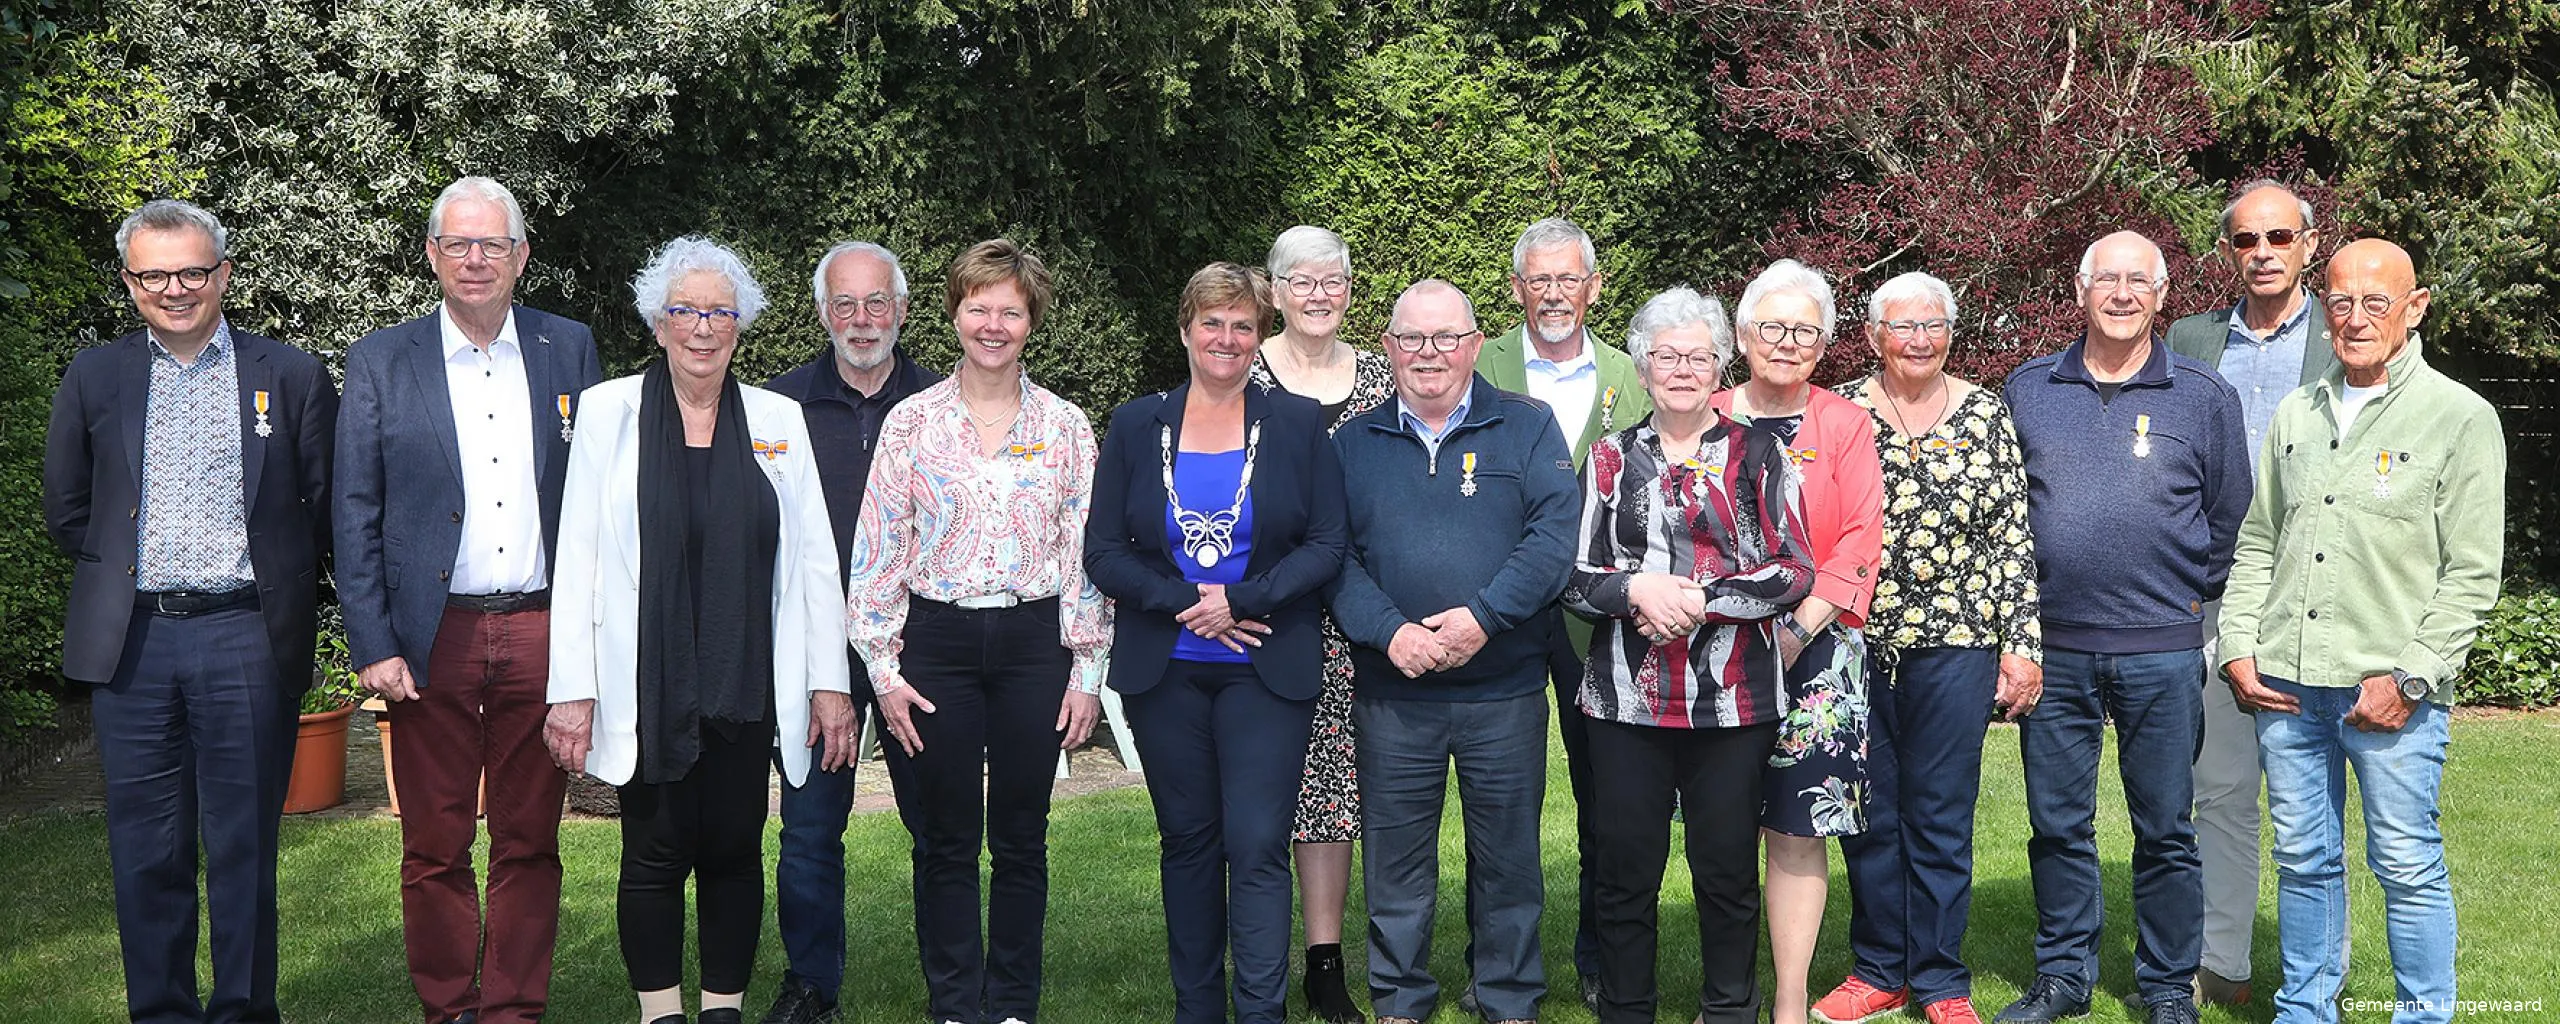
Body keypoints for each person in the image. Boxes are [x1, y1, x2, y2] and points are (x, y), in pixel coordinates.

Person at [543, 236, 855, 1024]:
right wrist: (571, 690)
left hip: (746, 681)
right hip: (645, 679)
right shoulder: (610, 410)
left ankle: (721, 1010)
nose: (704, 328)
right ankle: (661, 1013)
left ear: (740, 326)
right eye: (686, 310)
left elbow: (814, 560)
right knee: (650, 857)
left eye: (721, 312)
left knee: (733, 853)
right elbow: (577, 553)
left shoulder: (778, 420)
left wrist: (828, 683)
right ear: (658, 323)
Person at [44, 198, 336, 1024]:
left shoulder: (291, 375)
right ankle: (161, 1012)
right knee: (147, 851)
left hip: (245, 636)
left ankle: (244, 1012)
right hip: (131, 646)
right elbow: (68, 509)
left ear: (224, 275)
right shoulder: (94, 375)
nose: (175, 288)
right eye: (154, 274)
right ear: (131, 283)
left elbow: (317, 512)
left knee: (243, 848)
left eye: (192, 271)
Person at [334, 176, 602, 1024]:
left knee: (531, 842)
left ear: (522, 255)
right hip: (430, 638)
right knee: (434, 844)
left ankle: (515, 1009)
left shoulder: (570, 348)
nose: (476, 259)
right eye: (459, 244)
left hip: (540, 629)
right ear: (432, 255)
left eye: (493, 244)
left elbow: (595, 506)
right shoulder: (383, 360)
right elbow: (355, 509)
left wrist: (589, 645)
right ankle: (448, 1006)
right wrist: (374, 640)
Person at [2218, 238, 2505, 1024]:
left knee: (2406, 865)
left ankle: (2423, 1014)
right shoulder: (2296, 412)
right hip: (2285, 684)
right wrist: (2239, 645)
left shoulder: (2459, 418)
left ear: (2414, 308)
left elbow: (2473, 574)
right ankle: (2305, 1011)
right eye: (2340, 300)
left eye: (2377, 302)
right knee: (2305, 863)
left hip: (2391, 693)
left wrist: (2410, 678)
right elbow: (2257, 540)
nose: (2355, 317)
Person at [845, 238, 1111, 1024]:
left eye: (1010, 310)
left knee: (1023, 837)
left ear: (1031, 322)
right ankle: (956, 1003)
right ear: (955, 313)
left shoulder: (1065, 426)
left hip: (1035, 643)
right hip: (938, 644)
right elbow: (878, 547)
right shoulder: (911, 424)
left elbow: (1085, 555)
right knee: (947, 838)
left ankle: (1012, 1006)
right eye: (978, 307)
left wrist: (1086, 673)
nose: (993, 324)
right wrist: (883, 671)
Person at [1998, 231, 2249, 1024]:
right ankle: (2064, 976)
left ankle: (2169, 984)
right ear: (2079, 291)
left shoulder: (2203, 395)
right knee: (2057, 824)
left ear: (2162, 293)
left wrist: (2179, 597)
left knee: (2167, 826)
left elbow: (2230, 515)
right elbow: (2006, 511)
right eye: (2105, 278)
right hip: (2055, 649)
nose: (2120, 293)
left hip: (2164, 650)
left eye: (2138, 280)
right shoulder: (2028, 387)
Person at [1087, 263, 1349, 1024]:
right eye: (1212, 323)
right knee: (1190, 843)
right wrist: (1190, 606)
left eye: (1242, 325)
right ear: (1185, 330)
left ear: (1259, 336)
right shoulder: (1137, 425)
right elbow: (1104, 551)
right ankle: (1197, 1009)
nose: (1226, 338)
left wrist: (1241, 599)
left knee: (1260, 844)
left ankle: (1261, 1011)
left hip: (1267, 667)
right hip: (1165, 669)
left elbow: (1328, 543)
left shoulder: (1297, 422)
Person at [1327, 279, 1579, 1024]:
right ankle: (1400, 1000)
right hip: (1392, 690)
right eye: (1412, 338)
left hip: (1500, 688)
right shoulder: (1351, 444)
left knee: (1507, 863)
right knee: (1396, 866)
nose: (1429, 353)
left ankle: (1507, 997)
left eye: (1446, 338)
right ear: (1389, 348)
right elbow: (1332, 557)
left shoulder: (1528, 429)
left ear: (1475, 344)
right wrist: (1390, 632)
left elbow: (1552, 540)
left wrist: (1481, 618)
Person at [1565, 286, 1814, 1024]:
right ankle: (1627, 1011)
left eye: (1697, 357)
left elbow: (1794, 566)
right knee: (1624, 875)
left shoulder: (1761, 453)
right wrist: (1639, 587)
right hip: (1625, 703)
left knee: (1727, 874)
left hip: (1733, 702)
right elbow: (1573, 577)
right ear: (1642, 369)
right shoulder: (1609, 457)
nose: (1681, 369)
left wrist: (1698, 601)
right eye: (1665, 356)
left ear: (1718, 368)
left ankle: (1731, 1010)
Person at [1827, 273, 2043, 1024]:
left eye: (1934, 324)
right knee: (1869, 812)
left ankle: (1943, 981)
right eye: (1902, 325)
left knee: (1942, 814)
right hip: (1854, 640)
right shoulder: (1842, 412)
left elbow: (2013, 535)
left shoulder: (1984, 411)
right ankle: (1880, 967)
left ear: (1951, 331)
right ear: (1874, 335)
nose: (1919, 339)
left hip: (1957, 642)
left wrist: (2020, 645)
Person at [2161, 180, 2339, 1009]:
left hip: (2323, 601)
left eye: (2279, 236)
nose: (2262, 252)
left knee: (2317, 806)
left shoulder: (2347, 334)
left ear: (2310, 244)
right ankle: (2221, 962)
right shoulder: (2192, 338)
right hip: (2216, 599)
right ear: (2227, 252)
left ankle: (2318, 979)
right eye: (2245, 240)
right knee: (2221, 793)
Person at [755, 240, 942, 1024]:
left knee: (941, 833)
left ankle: (954, 991)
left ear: (901, 309)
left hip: (921, 648)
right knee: (806, 834)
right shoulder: (774, 408)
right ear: (823, 312)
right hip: (813, 648)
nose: (861, 320)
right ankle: (811, 987)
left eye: (876, 303)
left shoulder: (943, 403)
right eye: (845, 304)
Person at [1472, 218, 1651, 1012]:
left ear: (1593, 287)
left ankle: (1598, 955)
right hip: (1502, 609)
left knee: (1604, 797)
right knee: (1497, 803)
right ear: (1516, 289)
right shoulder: (1482, 363)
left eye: (1567, 279)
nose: (1553, 293)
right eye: (1538, 280)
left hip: (1597, 619)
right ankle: (1495, 966)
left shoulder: (1631, 373)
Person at [1709, 259, 1884, 1024]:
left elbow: (1857, 539)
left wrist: (1795, 626)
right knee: (1721, 829)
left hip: (1816, 654)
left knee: (1796, 826)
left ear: (1824, 346)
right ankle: (1729, 994)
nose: (1786, 343)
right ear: (1744, 335)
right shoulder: (1703, 413)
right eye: (1772, 327)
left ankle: (1785, 1001)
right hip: (1711, 651)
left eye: (1804, 331)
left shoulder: (1844, 424)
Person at [1247, 226, 1393, 1024]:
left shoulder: (1384, 374)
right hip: (1273, 610)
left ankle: (1326, 961)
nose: (1317, 294)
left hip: (1369, 611)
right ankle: (1259, 951)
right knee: (1272, 785)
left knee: (1340, 790)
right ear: (1273, 291)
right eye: (1299, 281)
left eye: (1331, 280)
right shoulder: (1243, 374)